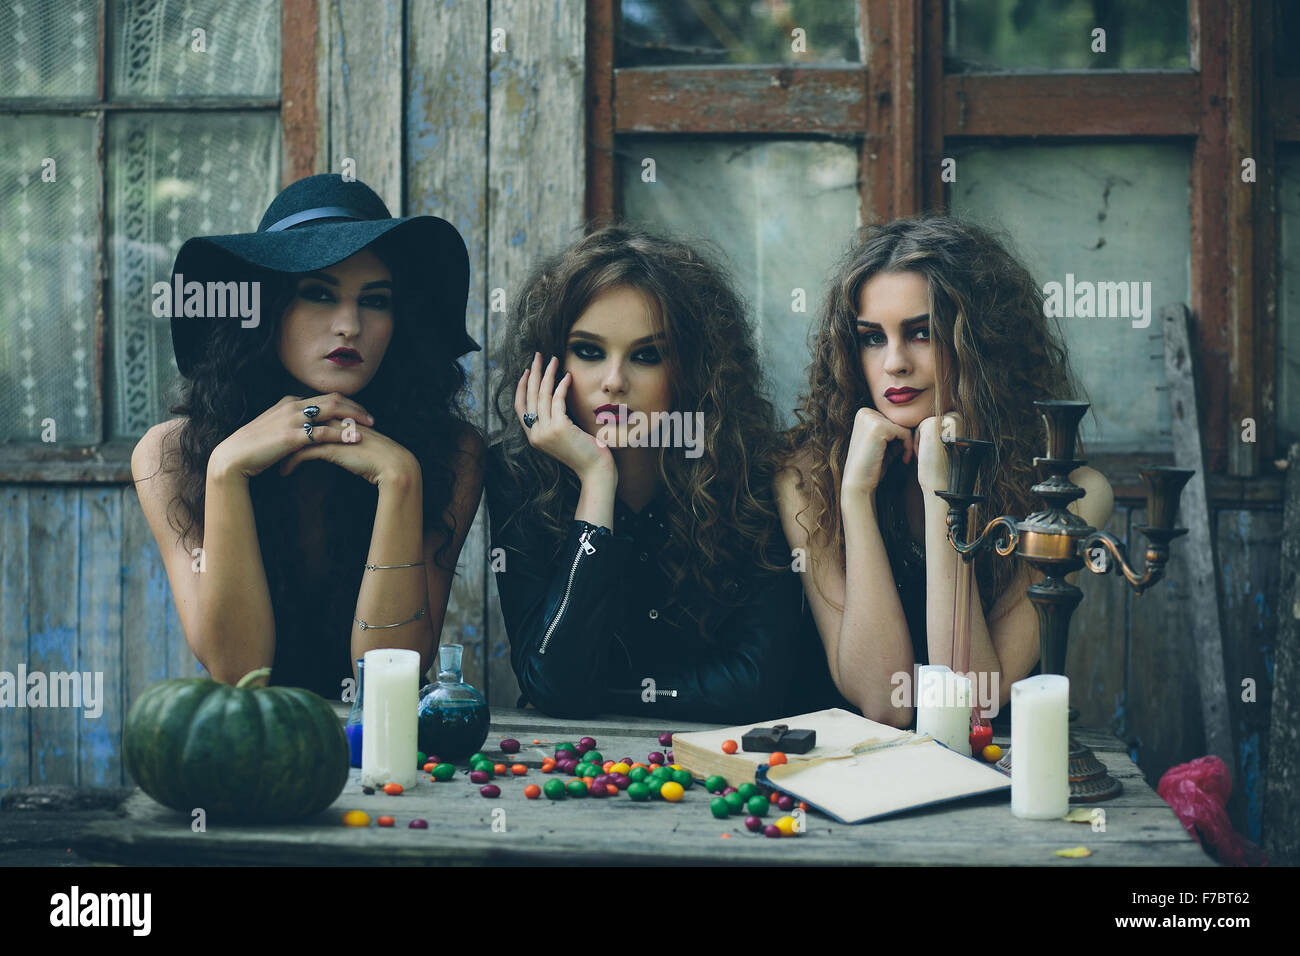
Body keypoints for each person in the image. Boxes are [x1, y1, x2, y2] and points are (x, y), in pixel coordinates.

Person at [131, 174, 485, 697]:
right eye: (319, 294)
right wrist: (228, 471)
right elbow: (238, 676)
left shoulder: (451, 450)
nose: (349, 324)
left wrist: (400, 478)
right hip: (259, 755)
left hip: (388, 753)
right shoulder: (172, 455)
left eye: (376, 300)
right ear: (267, 310)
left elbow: (389, 676)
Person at [776, 216, 1114, 728]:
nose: (894, 363)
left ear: (982, 345)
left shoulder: (1070, 494)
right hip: (846, 779)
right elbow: (884, 704)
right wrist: (854, 497)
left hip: (992, 775)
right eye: (871, 338)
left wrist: (945, 491)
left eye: (921, 333)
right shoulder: (806, 476)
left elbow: (973, 700)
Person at [486, 224, 806, 722]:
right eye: (589, 351)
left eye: (647, 355)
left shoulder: (754, 472)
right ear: (550, 363)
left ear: (693, 369)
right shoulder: (518, 474)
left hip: (739, 768)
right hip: (586, 776)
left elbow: (753, 687)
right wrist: (597, 478)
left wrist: (600, 695)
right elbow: (555, 681)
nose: (614, 382)